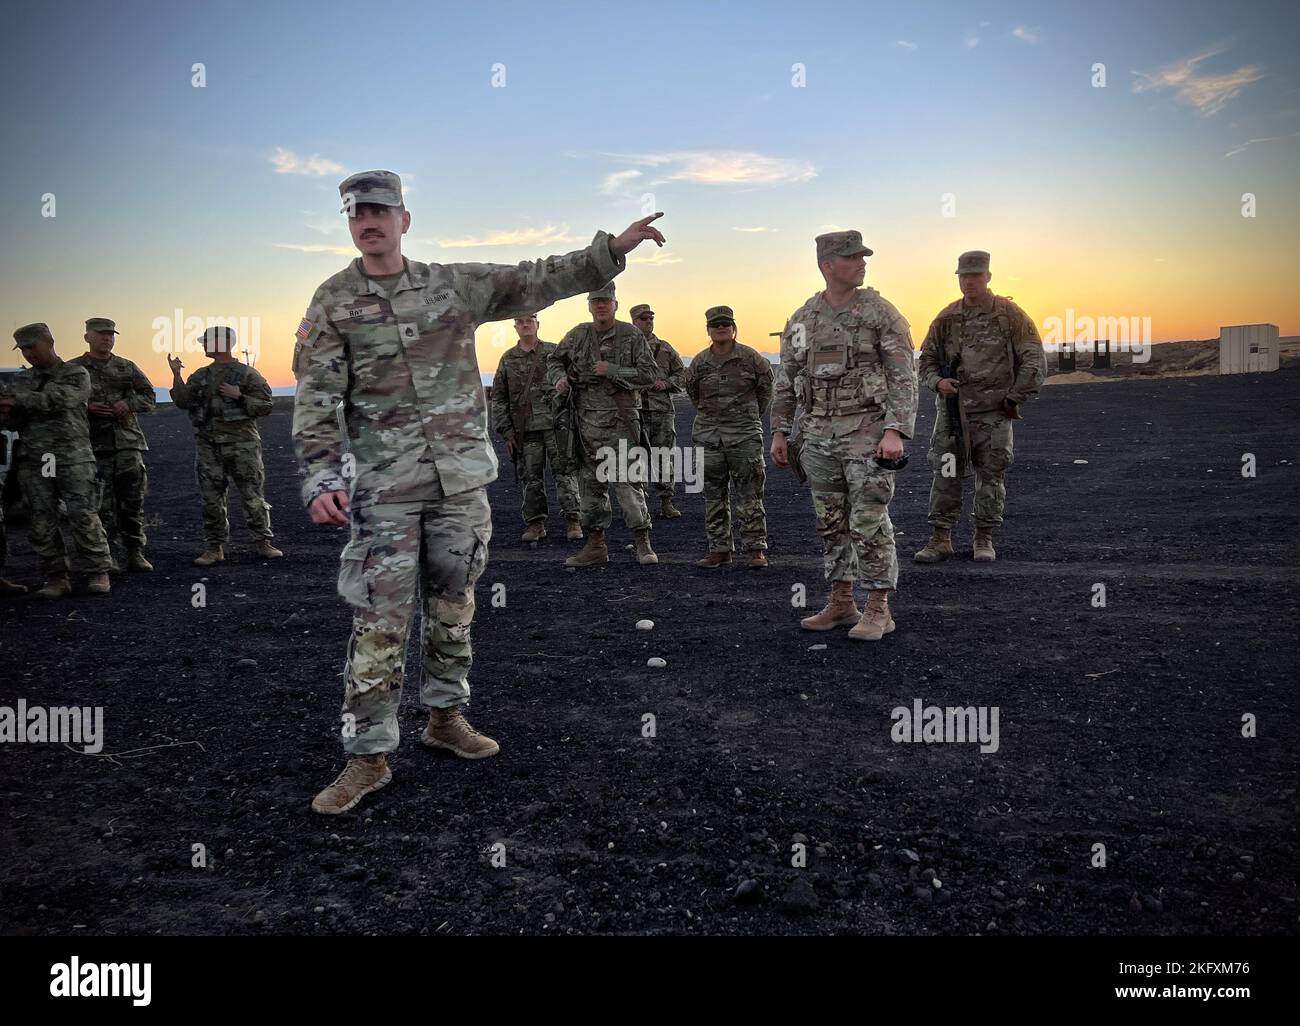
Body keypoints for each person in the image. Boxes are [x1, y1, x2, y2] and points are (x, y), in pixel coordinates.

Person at [293, 169, 665, 815]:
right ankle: (368, 757)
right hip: (385, 487)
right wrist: (323, 475)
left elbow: (535, 278)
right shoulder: (333, 301)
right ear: (350, 223)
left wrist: (611, 251)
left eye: (381, 210)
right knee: (378, 620)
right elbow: (317, 396)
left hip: (460, 482)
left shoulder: (451, 285)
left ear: (404, 219)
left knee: (453, 605)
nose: (370, 220)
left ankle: (445, 719)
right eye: (358, 213)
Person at [770, 230, 917, 641]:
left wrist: (895, 431)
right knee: (831, 523)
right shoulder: (803, 319)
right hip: (817, 435)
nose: (862, 262)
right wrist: (781, 431)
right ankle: (841, 602)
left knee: (868, 520)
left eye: (862, 256)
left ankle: (878, 608)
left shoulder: (880, 313)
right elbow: (787, 377)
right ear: (828, 265)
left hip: (867, 433)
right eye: (852, 257)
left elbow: (903, 375)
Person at [914, 251, 1045, 563]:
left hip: (993, 413)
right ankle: (941, 538)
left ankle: (983, 537)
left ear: (988, 276)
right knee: (945, 473)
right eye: (963, 275)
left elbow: (1034, 359)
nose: (969, 281)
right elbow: (926, 361)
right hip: (951, 413)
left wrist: (1014, 398)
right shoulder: (946, 318)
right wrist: (938, 383)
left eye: (975, 275)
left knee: (990, 475)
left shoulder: (1009, 315)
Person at [548, 282, 661, 568]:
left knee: (627, 485)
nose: (601, 305)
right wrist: (558, 378)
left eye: (606, 300)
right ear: (589, 305)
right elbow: (554, 360)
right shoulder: (578, 335)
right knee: (591, 488)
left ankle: (642, 543)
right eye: (596, 300)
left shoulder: (631, 335)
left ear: (615, 304)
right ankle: (595, 545)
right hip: (586, 427)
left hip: (622, 423)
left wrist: (614, 370)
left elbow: (649, 375)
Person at [0, 323, 113, 598]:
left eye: (32, 347)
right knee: (41, 520)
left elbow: (61, 399)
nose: (28, 354)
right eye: (23, 349)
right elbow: (13, 420)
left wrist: (18, 400)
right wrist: (7, 411)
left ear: (49, 342)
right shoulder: (21, 381)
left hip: (72, 457)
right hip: (34, 460)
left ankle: (98, 571)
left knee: (83, 515)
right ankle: (56, 577)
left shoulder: (74, 373)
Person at [167, 326, 282, 566]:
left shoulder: (248, 374)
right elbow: (184, 401)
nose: (203, 345)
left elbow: (266, 406)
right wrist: (176, 375)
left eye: (207, 341)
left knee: (252, 496)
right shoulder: (200, 375)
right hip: (209, 446)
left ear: (224, 342)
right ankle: (214, 547)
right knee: (211, 499)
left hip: (242, 445)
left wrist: (239, 395)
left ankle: (263, 542)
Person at [684, 305, 773, 568]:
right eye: (715, 324)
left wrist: (747, 418)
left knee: (750, 493)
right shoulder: (699, 362)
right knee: (713, 495)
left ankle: (755, 549)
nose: (720, 328)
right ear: (708, 330)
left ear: (734, 328)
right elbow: (693, 394)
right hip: (709, 436)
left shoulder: (752, 358)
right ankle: (719, 550)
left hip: (743, 436)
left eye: (725, 324)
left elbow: (765, 392)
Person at [70, 317, 156, 572]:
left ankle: (135, 552)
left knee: (132, 502)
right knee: (101, 506)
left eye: (110, 334)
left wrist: (128, 404)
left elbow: (149, 396)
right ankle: (110, 555)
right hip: (92, 447)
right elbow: (63, 404)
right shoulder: (73, 369)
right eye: (101, 334)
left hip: (128, 444)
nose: (107, 338)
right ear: (87, 337)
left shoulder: (126, 367)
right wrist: (86, 408)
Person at [489, 313, 582, 542]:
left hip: (557, 425)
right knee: (530, 477)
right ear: (515, 328)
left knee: (565, 472)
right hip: (525, 429)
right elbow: (499, 398)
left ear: (537, 324)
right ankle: (535, 524)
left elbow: (575, 382)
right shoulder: (508, 359)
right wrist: (506, 431)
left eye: (529, 321)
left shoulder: (555, 352)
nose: (525, 325)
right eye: (520, 322)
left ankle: (573, 520)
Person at [629, 302, 686, 518]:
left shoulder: (665, 348)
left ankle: (666, 501)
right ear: (634, 322)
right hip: (634, 411)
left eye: (651, 318)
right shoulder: (626, 350)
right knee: (636, 458)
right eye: (643, 319)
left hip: (661, 411)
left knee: (664, 456)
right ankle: (639, 505)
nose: (648, 322)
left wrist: (667, 383)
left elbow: (682, 374)